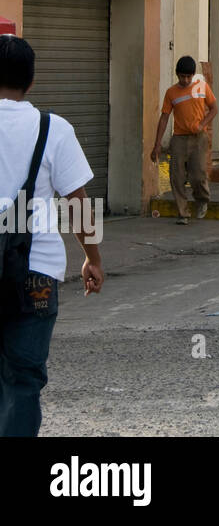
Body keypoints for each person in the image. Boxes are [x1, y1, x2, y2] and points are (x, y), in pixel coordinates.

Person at [0, 35, 104, 437]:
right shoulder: (52, 128)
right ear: (31, 81)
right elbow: (77, 204)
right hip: (36, 273)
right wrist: (92, 258)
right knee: (22, 382)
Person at [150, 55, 217, 224]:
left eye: (188, 76)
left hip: (198, 138)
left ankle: (202, 200)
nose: (185, 80)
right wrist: (157, 145)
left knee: (198, 175)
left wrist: (202, 125)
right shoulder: (171, 93)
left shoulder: (202, 87)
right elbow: (164, 118)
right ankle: (183, 213)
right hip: (179, 138)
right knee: (176, 176)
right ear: (177, 75)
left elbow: (214, 109)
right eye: (182, 76)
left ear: (193, 75)